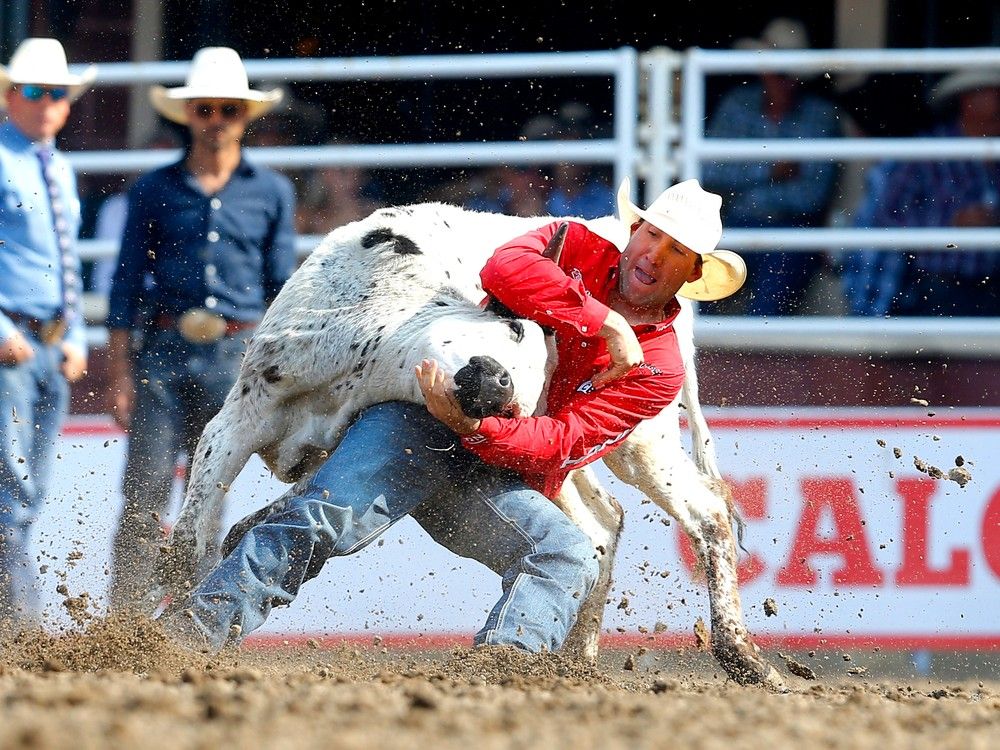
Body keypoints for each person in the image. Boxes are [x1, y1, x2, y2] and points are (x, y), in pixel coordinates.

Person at [160, 178, 747, 654]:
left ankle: (504, 672)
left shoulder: (660, 366)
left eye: (676, 253)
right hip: (418, 414)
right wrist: (607, 322)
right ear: (635, 231)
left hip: (492, 461)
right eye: (654, 237)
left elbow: (567, 443)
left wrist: (477, 427)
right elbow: (503, 270)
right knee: (321, 521)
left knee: (570, 553)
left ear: (692, 273)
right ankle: (189, 634)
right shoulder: (572, 243)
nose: (655, 257)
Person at [105, 47, 297, 612]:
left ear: (243, 116)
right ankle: (126, 618)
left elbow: (279, 290)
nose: (215, 120)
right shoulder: (152, 190)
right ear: (189, 115)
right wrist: (120, 373)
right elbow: (125, 286)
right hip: (163, 352)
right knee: (144, 493)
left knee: (209, 496)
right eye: (206, 109)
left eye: (227, 109)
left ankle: (196, 618)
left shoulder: (271, 193)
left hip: (235, 354)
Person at [0, 38, 93, 627]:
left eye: (57, 93)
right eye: (36, 91)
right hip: (12, 340)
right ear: (11, 96)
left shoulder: (59, 167)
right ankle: (21, 620)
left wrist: (76, 335)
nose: (47, 103)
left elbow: (67, 259)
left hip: (49, 342)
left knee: (27, 482)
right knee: (13, 481)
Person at [701, 17, 842, 315]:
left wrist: (742, 185)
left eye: (790, 74)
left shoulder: (822, 117)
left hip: (789, 229)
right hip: (732, 224)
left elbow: (812, 195)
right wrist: (769, 171)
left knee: (767, 311)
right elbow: (710, 170)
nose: (784, 80)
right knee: (696, 291)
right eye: (778, 72)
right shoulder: (737, 104)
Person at [842, 68, 1000, 316]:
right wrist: (951, 225)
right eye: (994, 92)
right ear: (969, 99)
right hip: (943, 284)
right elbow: (888, 215)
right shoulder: (929, 151)